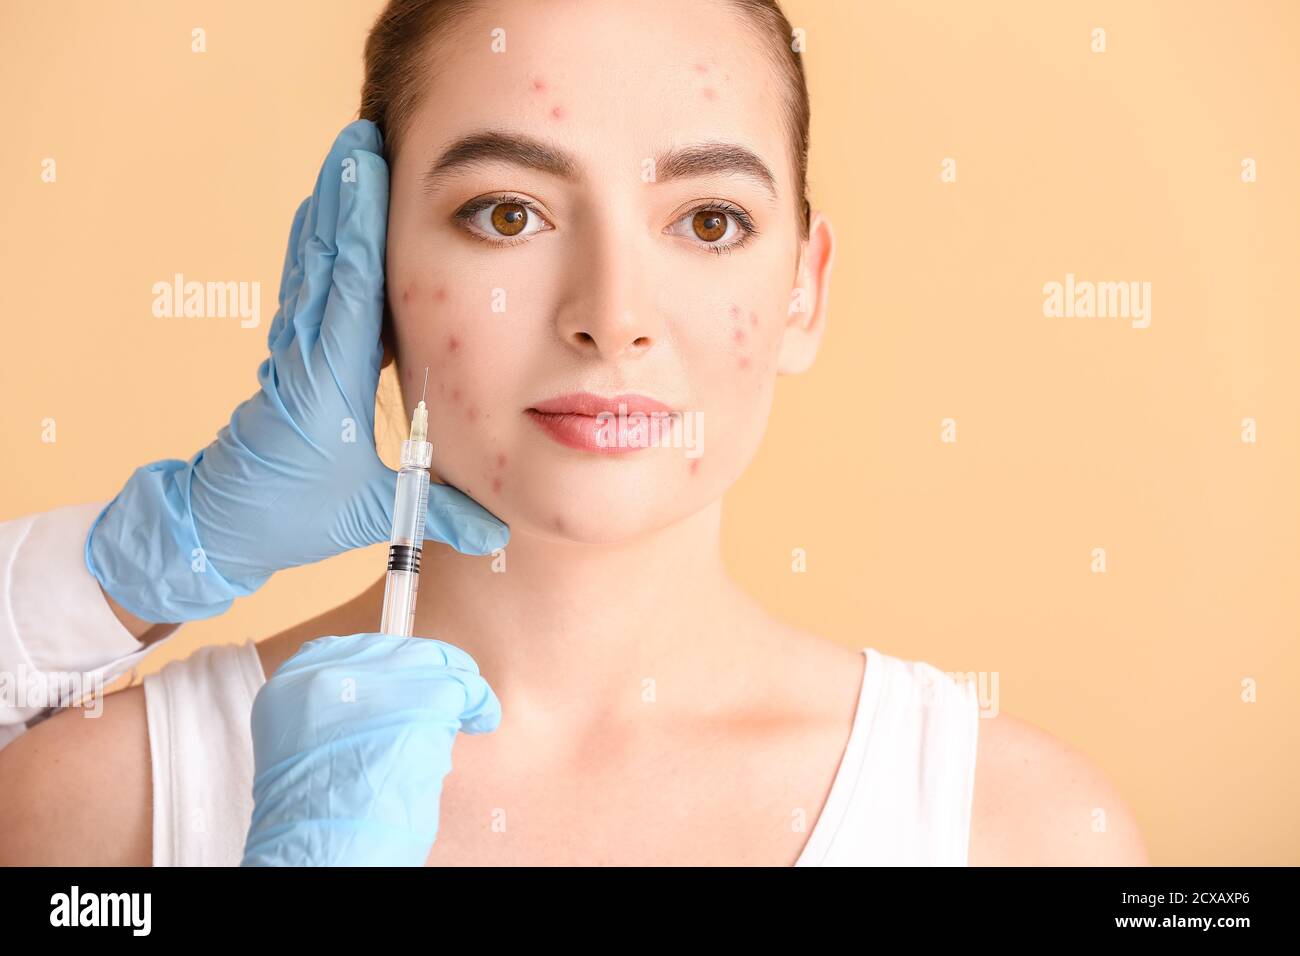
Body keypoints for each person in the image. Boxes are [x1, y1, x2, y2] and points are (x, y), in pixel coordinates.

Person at [0, 0, 1149, 866]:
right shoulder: (95, 806)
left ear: (804, 286)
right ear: (369, 266)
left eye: (708, 220)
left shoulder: (1021, 828)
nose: (611, 314)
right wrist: (150, 555)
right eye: (507, 213)